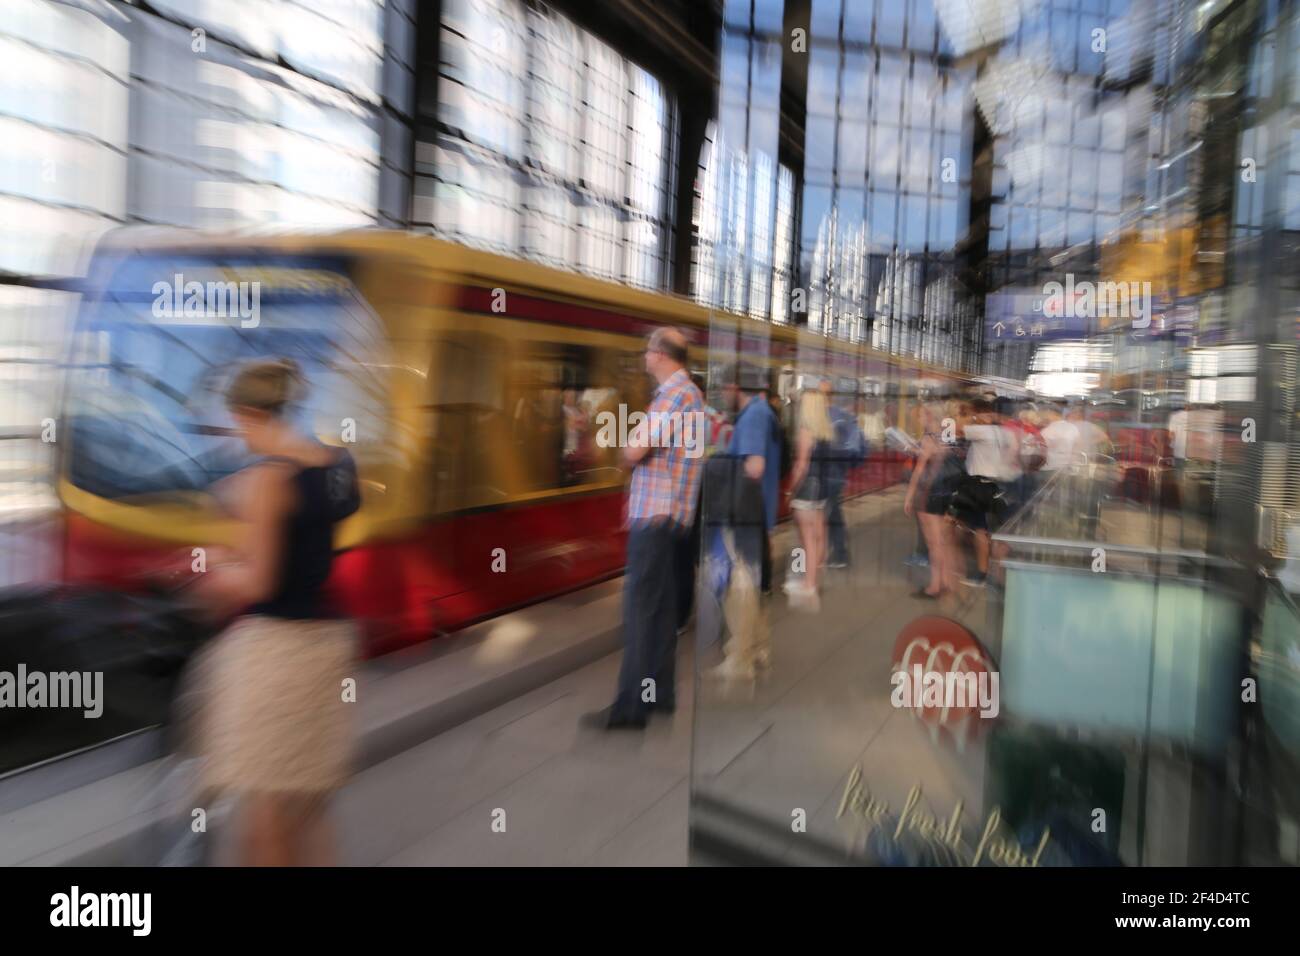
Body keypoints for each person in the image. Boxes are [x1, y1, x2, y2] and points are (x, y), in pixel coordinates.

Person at [186, 357, 361, 866]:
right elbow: (310, 540)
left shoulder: (267, 480)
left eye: (235, 422)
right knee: (306, 808)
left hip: (277, 655)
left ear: (248, 414)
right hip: (328, 648)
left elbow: (259, 581)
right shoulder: (339, 464)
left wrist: (212, 569)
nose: (237, 435)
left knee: (263, 821)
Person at [584, 327, 703, 730]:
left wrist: (624, 452)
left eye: (648, 350)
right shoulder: (691, 394)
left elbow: (636, 448)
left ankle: (631, 708)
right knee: (663, 610)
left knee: (639, 612)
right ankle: (659, 695)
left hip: (655, 517)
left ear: (661, 354)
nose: (645, 356)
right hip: (674, 517)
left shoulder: (674, 394)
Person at [704, 361, 781, 679]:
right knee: (753, 584)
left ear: (735, 388)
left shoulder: (753, 416)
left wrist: (717, 464)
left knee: (740, 589)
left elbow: (754, 466)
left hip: (743, 514)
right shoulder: (764, 412)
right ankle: (759, 648)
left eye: (725, 389)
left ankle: (739, 660)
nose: (724, 395)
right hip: (757, 513)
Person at [951, 398, 1020, 587]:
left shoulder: (981, 431)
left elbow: (953, 429)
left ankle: (982, 574)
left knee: (979, 531)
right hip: (999, 485)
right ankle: (999, 576)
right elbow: (1013, 454)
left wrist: (970, 417)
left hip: (978, 486)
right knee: (997, 531)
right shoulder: (1007, 433)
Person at [784, 385, 836, 610]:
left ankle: (809, 584)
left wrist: (789, 490)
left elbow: (801, 466)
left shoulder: (806, 430)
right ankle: (814, 578)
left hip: (807, 488)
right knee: (818, 536)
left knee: (807, 540)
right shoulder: (825, 430)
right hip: (822, 487)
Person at [903, 402, 962, 598]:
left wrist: (909, 496)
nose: (918, 419)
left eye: (921, 415)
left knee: (933, 543)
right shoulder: (947, 436)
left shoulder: (928, 439)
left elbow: (919, 471)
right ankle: (946, 582)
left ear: (929, 417)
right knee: (944, 541)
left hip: (928, 494)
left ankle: (935, 586)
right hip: (945, 493)